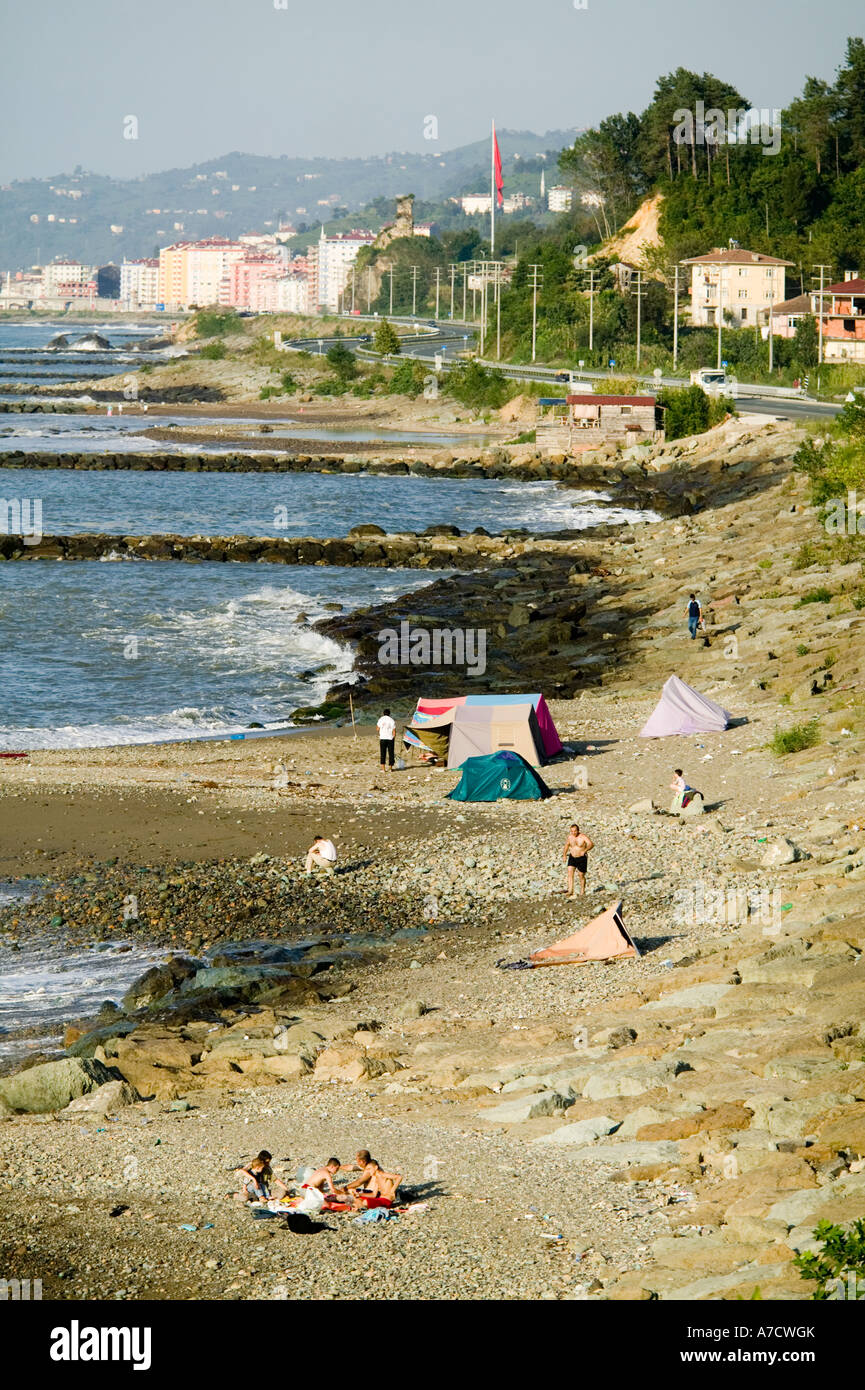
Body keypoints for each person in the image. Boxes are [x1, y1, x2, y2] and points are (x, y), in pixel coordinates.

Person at [563, 823, 594, 898]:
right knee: (570, 872)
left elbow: (591, 844)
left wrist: (585, 850)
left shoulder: (583, 837)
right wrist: (564, 855)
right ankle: (570, 890)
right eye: (572, 831)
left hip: (581, 858)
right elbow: (567, 845)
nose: (573, 833)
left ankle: (582, 891)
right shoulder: (570, 837)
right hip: (572, 857)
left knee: (581, 875)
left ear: (578, 830)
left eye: (575, 831)